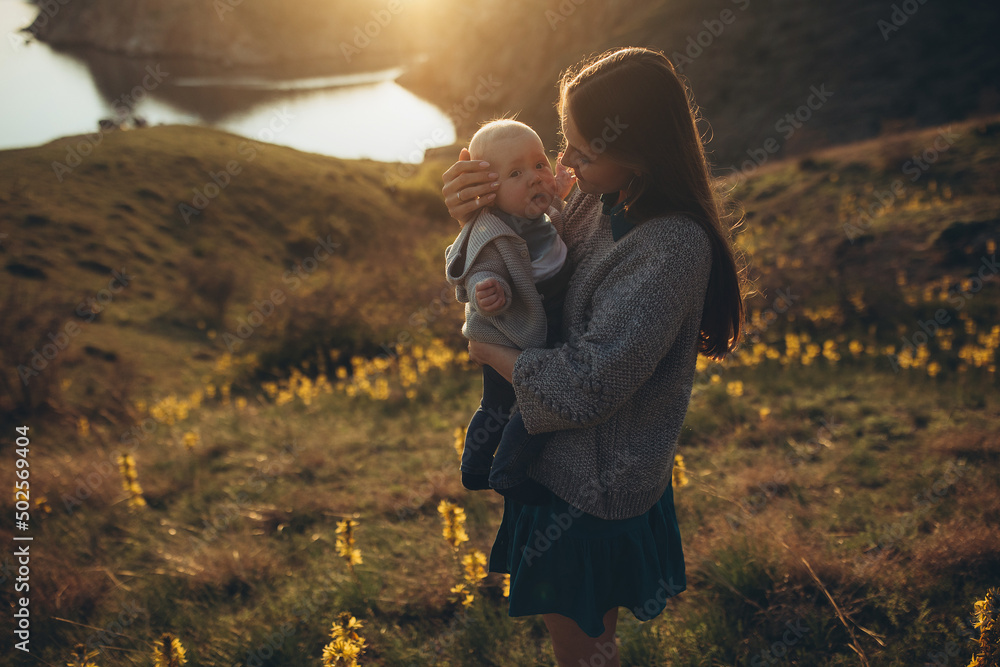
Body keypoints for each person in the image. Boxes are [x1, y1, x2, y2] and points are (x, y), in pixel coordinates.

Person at [440, 47, 744, 666]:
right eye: (564, 144)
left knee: (584, 654)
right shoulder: (597, 194)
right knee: (582, 646)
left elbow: (588, 387)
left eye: (585, 150)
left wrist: (490, 353)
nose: (566, 166)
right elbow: (518, 260)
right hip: (556, 465)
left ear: (641, 150)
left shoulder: (672, 248)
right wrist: (474, 216)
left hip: (591, 488)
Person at [445, 119, 575, 504]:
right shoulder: (491, 229)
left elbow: (554, 210)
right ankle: (494, 470)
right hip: (508, 327)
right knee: (505, 406)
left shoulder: (539, 209)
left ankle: (490, 465)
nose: (536, 178)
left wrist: (561, 190)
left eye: (539, 165)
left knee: (526, 402)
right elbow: (478, 267)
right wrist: (488, 289)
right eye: (516, 173)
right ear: (488, 191)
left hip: (541, 318)